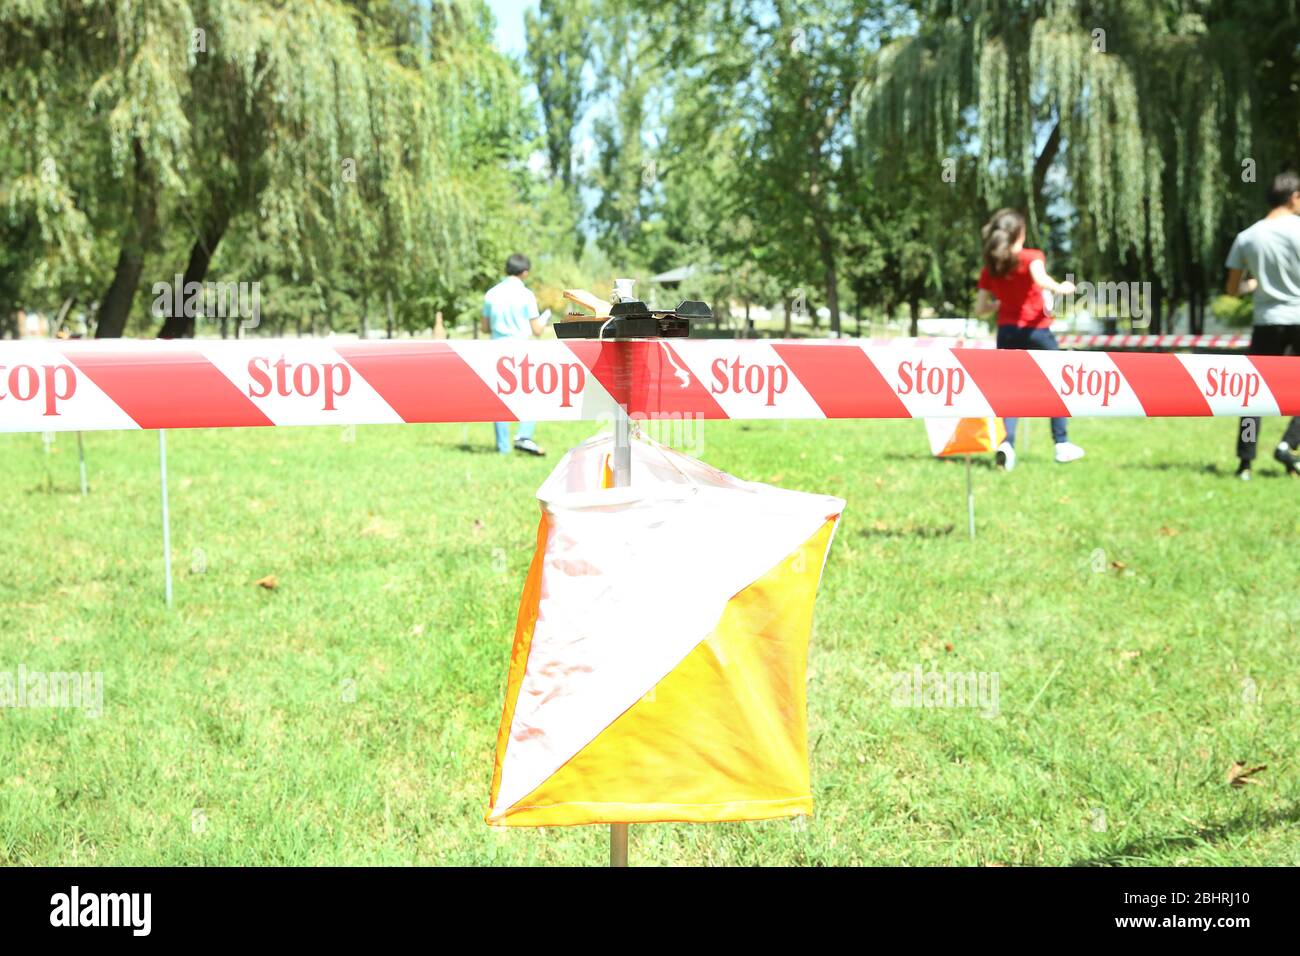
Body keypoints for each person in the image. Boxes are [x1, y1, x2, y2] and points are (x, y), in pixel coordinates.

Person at [974, 208, 1085, 470]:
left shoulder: (990, 267)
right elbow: (1041, 279)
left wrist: (999, 302)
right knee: (1057, 384)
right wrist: (1062, 287)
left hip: (1007, 332)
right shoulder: (1031, 256)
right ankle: (1062, 444)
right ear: (1019, 233)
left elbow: (981, 309)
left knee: (1009, 392)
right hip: (1036, 331)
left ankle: (1006, 445)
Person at [1224, 170, 1300, 480]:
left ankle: (1245, 462)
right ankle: (1288, 444)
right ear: (1294, 197)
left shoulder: (1248, 236)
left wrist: (1256, 284)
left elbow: (1232, 289)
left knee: (1253, 392)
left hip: (1266, 321)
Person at [482, 253, 548, 456]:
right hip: (521, 349)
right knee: (529, 393)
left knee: (499, 397)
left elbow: (485, 327)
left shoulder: (491, 294)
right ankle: (523, 435)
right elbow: (537, 330)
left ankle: (503, 447)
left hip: (497, 348)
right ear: (525, 272)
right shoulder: (526, 295)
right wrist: (545, 318)